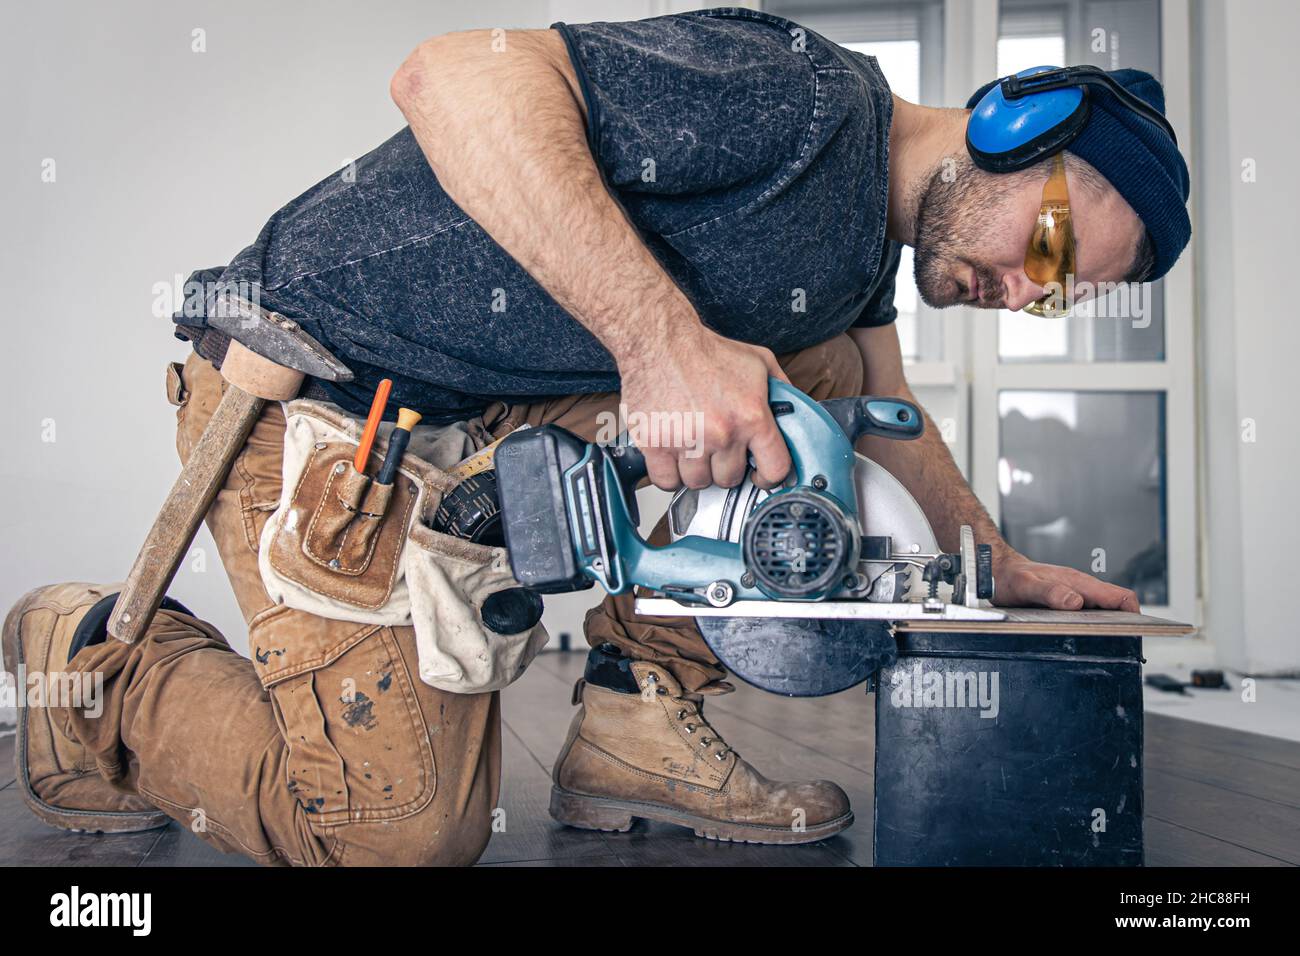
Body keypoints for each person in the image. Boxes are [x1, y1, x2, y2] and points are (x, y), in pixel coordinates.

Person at [6, 9, 1190, 863]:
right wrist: (660, 344)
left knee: (817, 385)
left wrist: (990, 558)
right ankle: (97, 669)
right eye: (1043, 253)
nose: (1022, 295)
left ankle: (631, 714)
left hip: (480, 413)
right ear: (1015, 122)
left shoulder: (850, 257)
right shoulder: (801, 97)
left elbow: (880, 407)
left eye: (1055, 296)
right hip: (328, 407)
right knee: (388, 835)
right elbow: (453, 76)